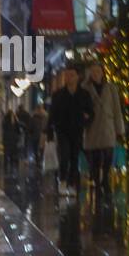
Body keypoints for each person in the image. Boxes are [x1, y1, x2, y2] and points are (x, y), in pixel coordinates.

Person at [82, 61, 124, 204]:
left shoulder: (111, 88)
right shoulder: (85, 88)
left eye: (98, 71)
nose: (96, 74)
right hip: (92, 127)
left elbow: (117, 109)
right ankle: (97, 182)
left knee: (108, 155)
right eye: (93, 72)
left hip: (107, 126)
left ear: (102, 72)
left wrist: (120, 129)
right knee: (94, 158)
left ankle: (104, 179)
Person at [48, 66, 93, 199]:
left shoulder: (84, 94)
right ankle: (62, 181)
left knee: (74, 158)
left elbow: (91, 112)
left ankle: (72, 184)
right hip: (62, 130)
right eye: (67, 75)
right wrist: (50, 130)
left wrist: (85, 121)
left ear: (77, 77)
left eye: (72, 75)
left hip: (77, 130)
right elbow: (52, 114)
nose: (69, 78)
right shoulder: (58, 95)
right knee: (65, 155)